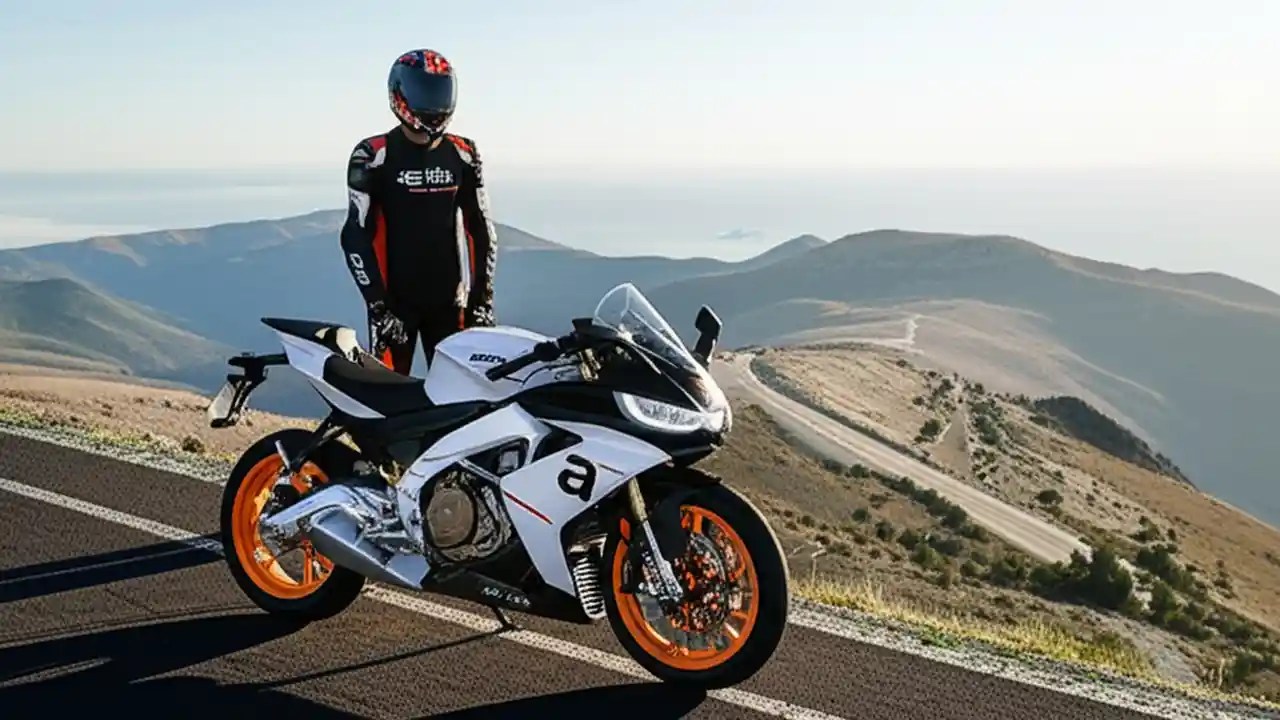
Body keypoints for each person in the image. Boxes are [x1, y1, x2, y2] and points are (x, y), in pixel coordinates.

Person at [340, 48, 497, 374]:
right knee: (386, 398)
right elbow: (355, 235)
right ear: (400, 94)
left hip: (451, 304)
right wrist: (378, 306)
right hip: (395, 307)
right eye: (425, 92)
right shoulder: (372, 155)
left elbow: (481, 230)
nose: (435, 105)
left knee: (464, 395)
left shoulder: (465, 153)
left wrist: (481, 302)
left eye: (439, 92)